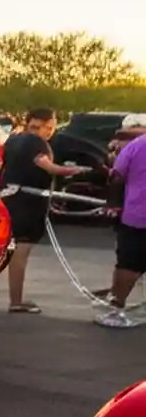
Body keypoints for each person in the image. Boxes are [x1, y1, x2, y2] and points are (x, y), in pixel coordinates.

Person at [0, 108, 87, 314]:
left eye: (49, 127)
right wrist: (74, 170)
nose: (44, 132)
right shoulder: (35, 143)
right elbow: (48, 167)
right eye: (38, 127)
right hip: (28, 203)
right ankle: (16, 301)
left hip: (12, 198)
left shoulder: (13, 140)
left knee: (16, 250)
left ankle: (16, 299)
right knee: (21, 250)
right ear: (29, 124)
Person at [93, 124, 145, 328]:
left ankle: (116, 307)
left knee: (129, 263)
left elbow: (116, 176)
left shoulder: (137, 146)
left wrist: (113, 205)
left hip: (138, 215)